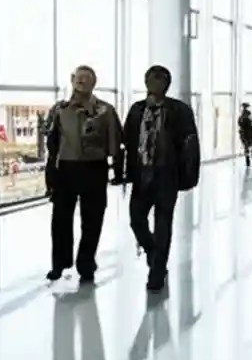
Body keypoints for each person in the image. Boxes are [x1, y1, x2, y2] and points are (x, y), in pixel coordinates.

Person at [118, 65, 200, 292]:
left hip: (166, 174)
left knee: (163, 222)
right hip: (142, 173)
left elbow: (190, 144)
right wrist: (124, 172)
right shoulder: (136, 109)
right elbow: (127, 140)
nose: (156, 82)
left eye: (161, 78)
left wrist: (188, 176)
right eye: (152, 78)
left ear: (167, 83)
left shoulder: (179, 110)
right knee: (136, 219)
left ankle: (157, 269)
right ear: (145, 82)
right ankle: (153, 252)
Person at [44, 65, 121, 284]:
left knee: (93, 219)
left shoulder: (105, 110)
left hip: (94, 168)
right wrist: (50, 177)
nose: (83, 81)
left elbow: (115, 142)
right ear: (72, 79)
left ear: (94, 83)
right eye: (79, 77)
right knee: (60, 219)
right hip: (65, 168)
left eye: (88, 78)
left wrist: (118, 169)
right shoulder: (59, 109)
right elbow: (51, 145)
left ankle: (86, 263)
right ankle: (59, 264)